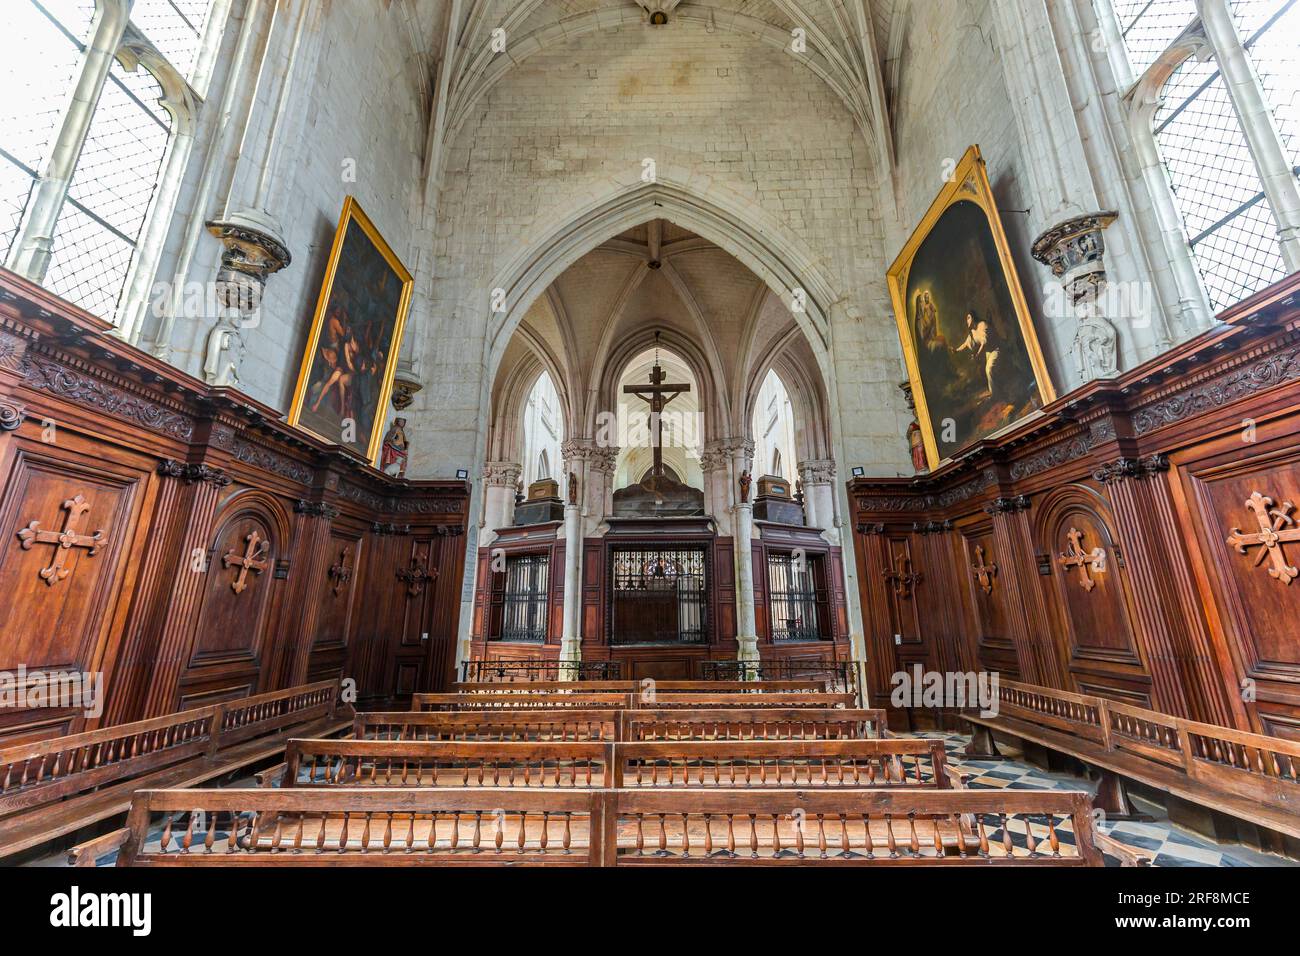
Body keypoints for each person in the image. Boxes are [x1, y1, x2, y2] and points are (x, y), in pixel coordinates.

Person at [952, 310, 1001, 399]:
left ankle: (995, 395)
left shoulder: (982, 325)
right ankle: (994, 392)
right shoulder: (972, 332)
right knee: (987, 371)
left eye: (968, 317)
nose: (967, 321)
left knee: (989, 369)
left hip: (996, 349)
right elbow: (965, 344)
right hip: (988, 353)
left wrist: (977, 355)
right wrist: (956, 350)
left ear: (973, 317)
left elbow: (984, 343)